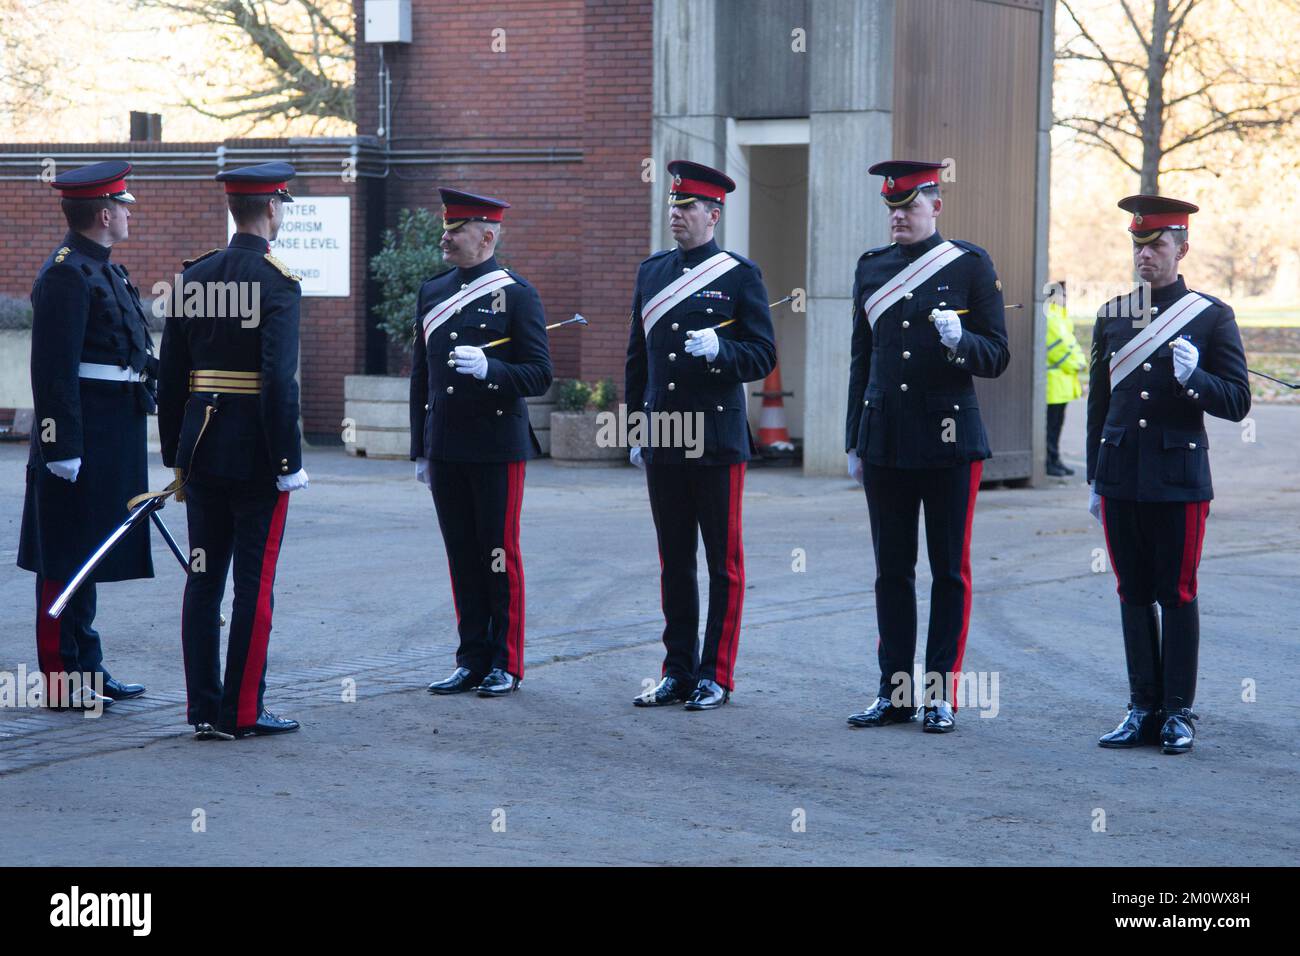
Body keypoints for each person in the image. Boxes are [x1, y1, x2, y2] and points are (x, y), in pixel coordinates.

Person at [844, 160, 1009, 733]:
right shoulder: (871, 269)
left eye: (908, 207)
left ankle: (939, 694)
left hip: (949, 440)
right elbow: (861, 360)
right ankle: (895, 693)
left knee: (948, 572)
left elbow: (997, 355)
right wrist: (853, 440)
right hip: (885, 437)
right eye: (891, 208)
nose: (898, 218)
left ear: (935, 206)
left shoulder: (968, 265)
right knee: (892, 571)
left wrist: (961, 341)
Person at [1088, 195, 1250, 755]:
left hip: (1177, 476)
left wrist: (1195, 378)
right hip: (1120, 475)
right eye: (1139, 244)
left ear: (1183, 247)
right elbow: (1098, 404)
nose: (1146, 255)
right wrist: (1093, 477)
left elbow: (1237, 401)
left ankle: (1178, 711)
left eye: (1157, 244)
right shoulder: (1112, 315)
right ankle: (1141, 707)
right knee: (1132, 591)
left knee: (1176, 593)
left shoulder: (1210, 316)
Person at [157, 162, 308, 740]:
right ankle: (242, 711)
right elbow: (278, 383)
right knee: (253, 582)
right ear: (271, 208)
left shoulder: (194, 278)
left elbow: (171, 379)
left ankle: (203, 709)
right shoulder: (278, 281)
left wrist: (177, 454)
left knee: (201, 578)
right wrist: (287, 462)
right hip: (255, 458)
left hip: (201, 451)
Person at [624, 159, 776, 711]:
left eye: (687, 207)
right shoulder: (652, 273)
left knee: (722, 561)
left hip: (715, 437)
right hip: (665, 431)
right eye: (673, 205)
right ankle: (677, 669)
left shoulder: (739, 275)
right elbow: (636, 360)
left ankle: (717, 673)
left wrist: (721, 353)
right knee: (673, 560)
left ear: (714, 213)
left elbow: (762, 354)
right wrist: (635, 427)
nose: (676, 214)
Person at [18, 160, 151, 710]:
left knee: (90, 552)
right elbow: (52, 371)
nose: (127, 213)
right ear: (103, 214)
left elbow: (126, 350)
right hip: (78, 436)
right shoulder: (66, 273)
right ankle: (60, 678)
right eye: (123, 205)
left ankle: (89, 670)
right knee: (63, 555)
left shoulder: (105, 269)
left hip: (112, 426)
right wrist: (61, 445)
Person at [414, 188, 552, 699]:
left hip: (495, 445)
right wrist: (420, 447)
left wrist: (491, 369)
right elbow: (420, 377)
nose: (445, 237)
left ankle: (506, 662)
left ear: (487, 235)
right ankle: (471, 657)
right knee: (461, 555)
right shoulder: (433, 291)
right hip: (446, 444)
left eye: (456, 229)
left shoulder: (517, 294)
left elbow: (539, 374)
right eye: (446, 227)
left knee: (497, 553)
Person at [1044, 280, 1085, 476]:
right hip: (1054, 382)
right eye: (1063, 294)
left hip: (1062, 381)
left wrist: (1079, 361)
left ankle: (1055, 459)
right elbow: (1057, 348)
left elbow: (1071, 344)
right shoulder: (1051, 316)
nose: (1066, 298)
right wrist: (1076, 363)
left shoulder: (1060, 316)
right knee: (1051, 426)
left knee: (1056, 425)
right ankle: (1049, 461)